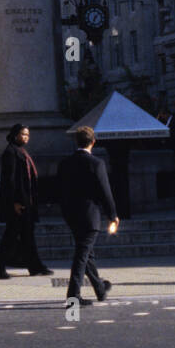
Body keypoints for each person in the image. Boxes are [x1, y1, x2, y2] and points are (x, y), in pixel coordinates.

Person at [59, 125, 119, 305]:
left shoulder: (65, 163)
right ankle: (73, 295)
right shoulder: (96, 163)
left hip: (71, 214)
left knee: (86, 254)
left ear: (76, 141)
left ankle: (100, 289)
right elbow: (105, 191)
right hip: (89, 215)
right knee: (82, 255)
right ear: (93, 142)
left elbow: (59, 191)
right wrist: (112, 215)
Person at [0, 124, 51, 278]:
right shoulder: (10, 152)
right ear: (15, 134)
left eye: (28, 135)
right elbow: (8, 180)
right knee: (11, 237)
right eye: (23, 134)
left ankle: (35, 267)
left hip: (26, 202)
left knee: (27, 237)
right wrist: (14, 202)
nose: (26, 137)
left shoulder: (20, 151)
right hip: (18, 204)